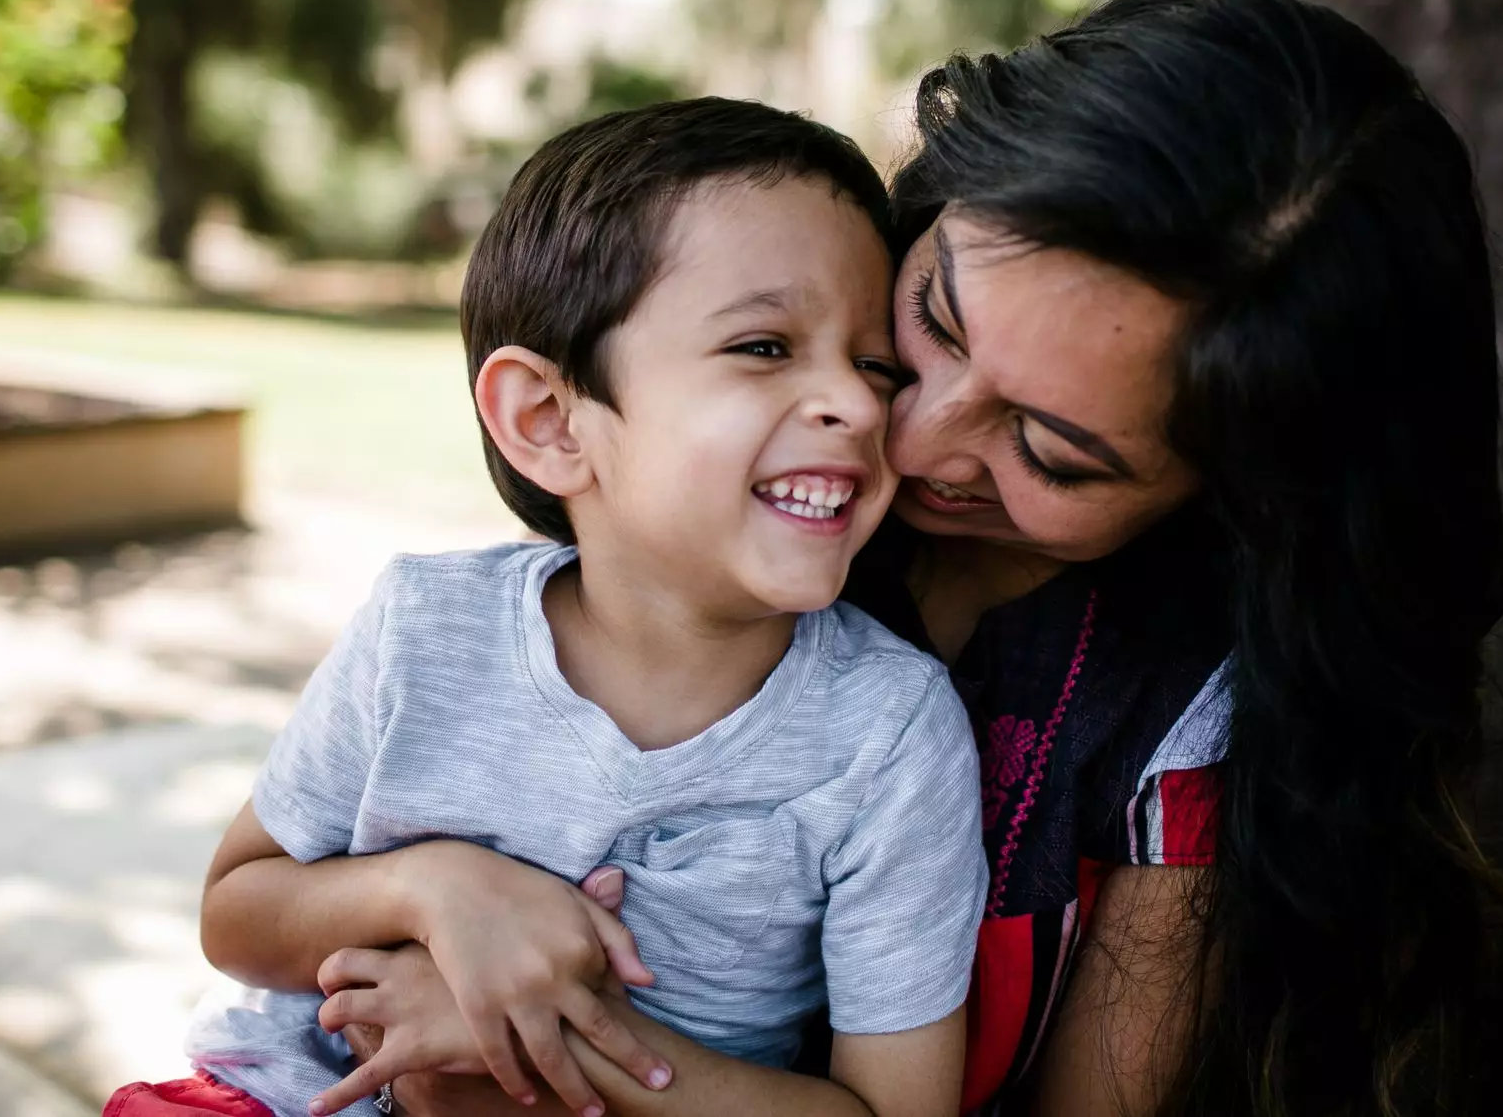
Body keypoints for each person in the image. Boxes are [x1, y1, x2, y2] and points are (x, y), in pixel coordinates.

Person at [187, 0, 1503, 1117]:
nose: (916, 434)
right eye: (929, 323)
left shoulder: (1162, 730)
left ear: (1230, 495)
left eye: (1052, 452)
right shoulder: (703, 525)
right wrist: (430, 901)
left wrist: (549, 1042)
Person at [114, 99, 991, 1117]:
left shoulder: (887, 735)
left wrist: (545, 1026)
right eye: (763, 346)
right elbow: (237, 915)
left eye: (874, 364)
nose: (855, 401)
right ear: (547, 420)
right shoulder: (425, 631)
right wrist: (435, 888)